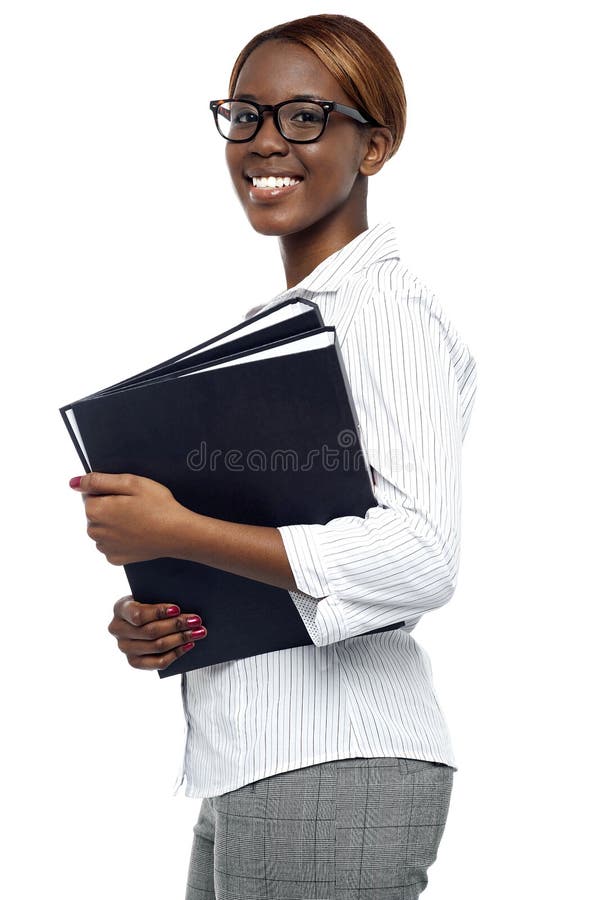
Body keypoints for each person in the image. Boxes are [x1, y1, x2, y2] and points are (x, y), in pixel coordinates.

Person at [69, 13, 477, 899]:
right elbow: (276, 540)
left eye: (303, 117)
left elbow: (422, 554)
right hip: (250, 760)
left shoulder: (383, 314)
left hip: (337, 761)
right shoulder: (289, 332)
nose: (263, 143)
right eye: (244, 114)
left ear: (376, 145)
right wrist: (166, 616)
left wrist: (181, 528)